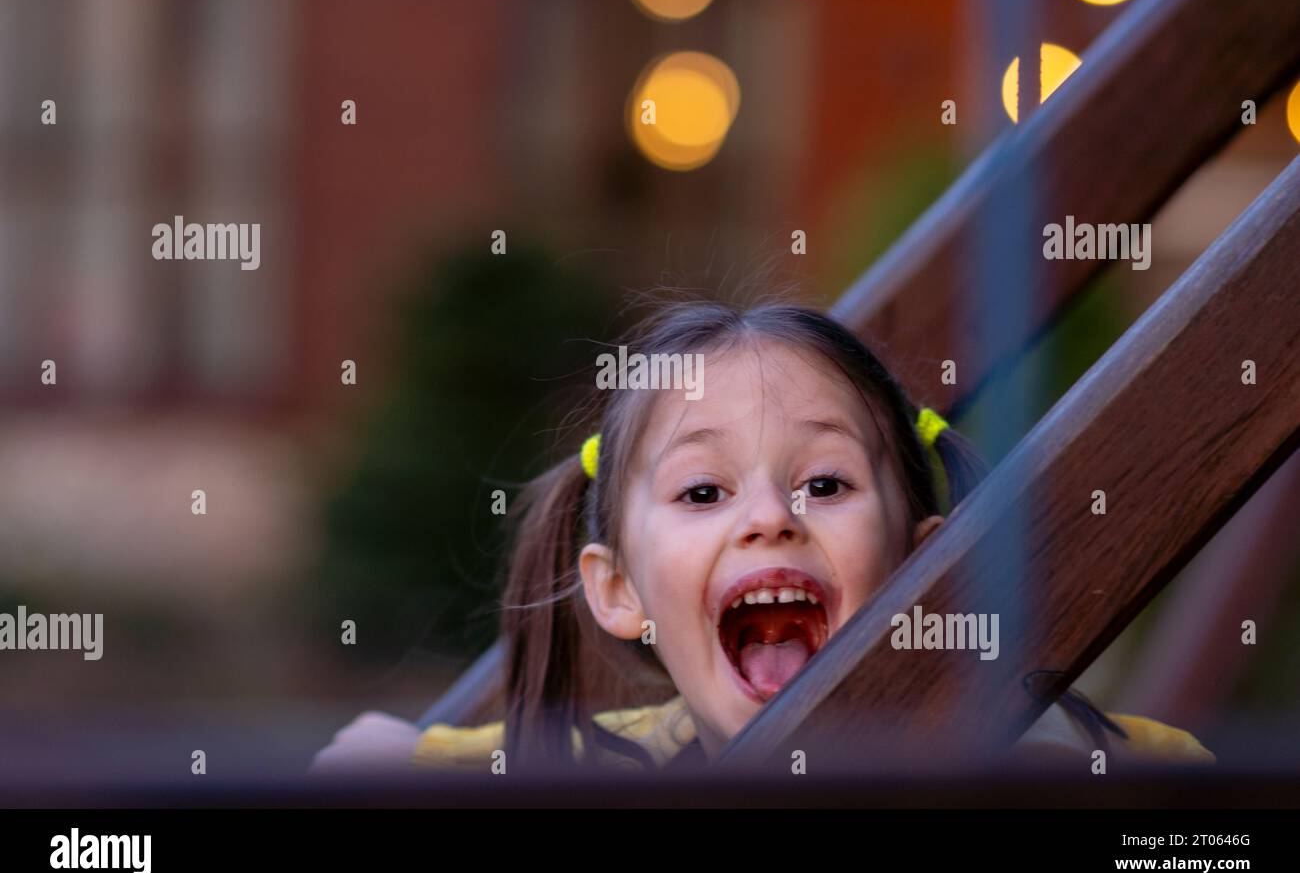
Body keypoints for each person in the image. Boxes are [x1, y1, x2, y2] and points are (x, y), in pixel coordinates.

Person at [311, 302, 1214, 775]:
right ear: (619, 590)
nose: (769, 518)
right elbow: (407, 761)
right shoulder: (629, 759)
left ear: (922, 562)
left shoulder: (1045, 759)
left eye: (825, 483)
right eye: (703, 491)